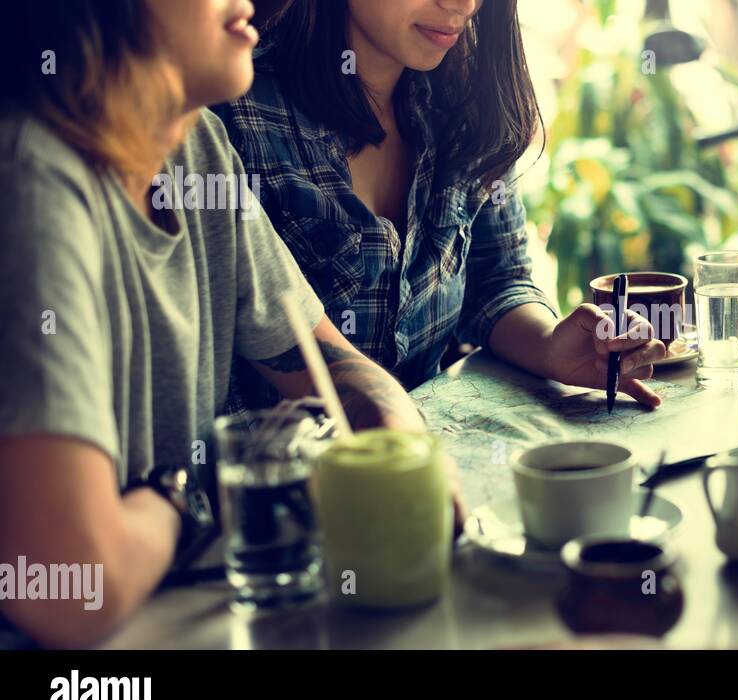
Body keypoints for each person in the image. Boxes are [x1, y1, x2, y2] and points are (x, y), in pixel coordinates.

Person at [0, 0, 429, 648]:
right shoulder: (32, 184)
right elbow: (67, 584)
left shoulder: (193, 145)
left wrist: (404, 453)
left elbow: (323, 361)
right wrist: (184, 499)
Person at [211, 0, 667, 420]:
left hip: (437, 462)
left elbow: (497, 280)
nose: (463, 4)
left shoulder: (467, 104)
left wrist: (549, 346)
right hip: (280, 487)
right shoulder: (231, 113)